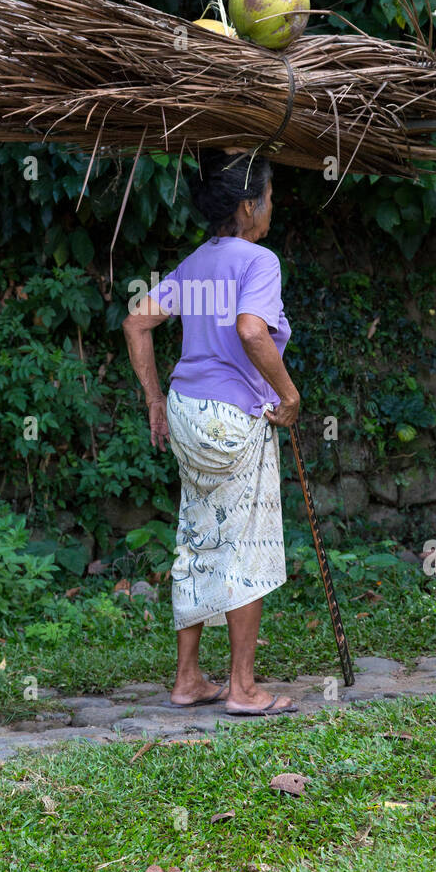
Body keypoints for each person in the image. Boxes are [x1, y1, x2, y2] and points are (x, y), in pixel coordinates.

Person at [122, 149, 299, 715]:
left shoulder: (195, 262)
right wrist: (290, 394)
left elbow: (136, 321)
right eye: (268, 197)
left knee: (199, 537)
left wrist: (153, 400)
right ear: (248, 207)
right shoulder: (259, 260)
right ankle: (243, 689)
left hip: (186, 412)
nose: (272, 207)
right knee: (246, 546)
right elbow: (252, 330)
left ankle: (188, 679)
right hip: (233, 419)